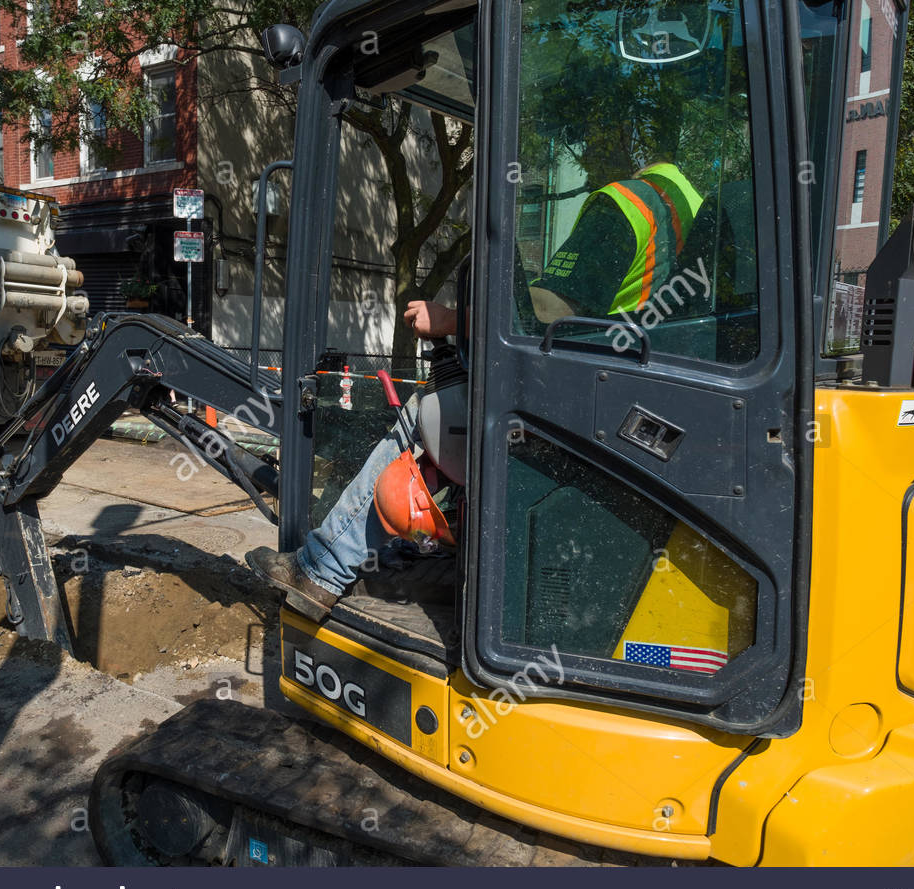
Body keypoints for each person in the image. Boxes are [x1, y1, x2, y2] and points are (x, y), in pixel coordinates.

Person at [246, 161, 703, 617]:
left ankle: (321, 569)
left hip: (587, 400)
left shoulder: (628, 205)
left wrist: (451, 320)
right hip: (634, 396)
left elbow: (549, 315)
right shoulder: (691, 208)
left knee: (429, 411)